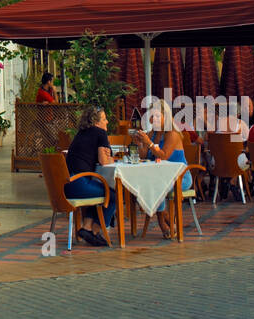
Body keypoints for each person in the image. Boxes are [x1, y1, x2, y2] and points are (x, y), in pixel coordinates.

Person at [130, 98, 193, 239]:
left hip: (180, 177)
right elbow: (144, 155)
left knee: (155, 187)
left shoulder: (172, 133)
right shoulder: (153, 133)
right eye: (152, 116)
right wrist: (139, 143)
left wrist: (149, 143)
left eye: (158, 116)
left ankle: (162, 222)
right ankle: (166, 218)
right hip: (160, 178)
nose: (154, 119)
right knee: (148, 185)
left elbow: (163, 156)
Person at [64, 106, 117, 246]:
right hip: (79, 184)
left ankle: (87, 227)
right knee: (114, 195)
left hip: (66, 185)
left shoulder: (81, 133)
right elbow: (104, 161)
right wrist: (112, 159)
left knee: (100, 189)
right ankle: (95, 230)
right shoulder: (100, 133)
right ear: (96, 122)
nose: (107, 122)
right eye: (104, 119)